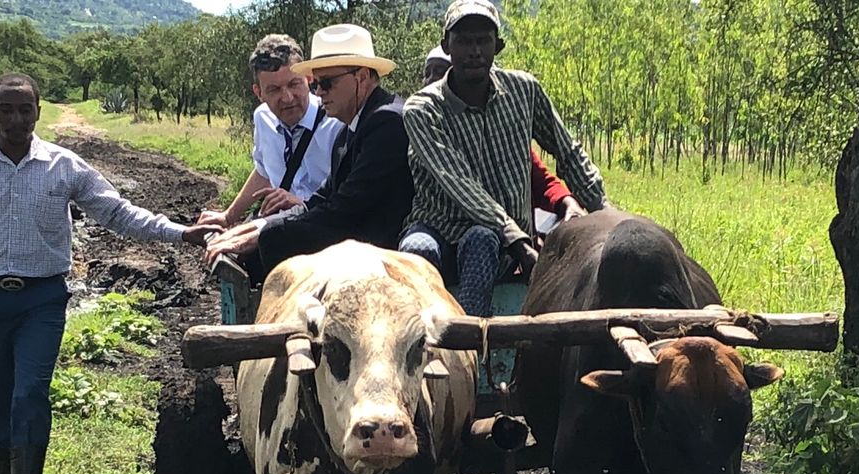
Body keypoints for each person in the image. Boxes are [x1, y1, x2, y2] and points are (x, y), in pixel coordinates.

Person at [0, 72, 213, 474]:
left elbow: (118, 212)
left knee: (29, 395)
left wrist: (181, 231)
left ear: (39, 113)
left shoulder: (64, 166)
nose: (16, 119)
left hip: (42, 299)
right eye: (7, 109)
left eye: (25, 110)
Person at [400, 0, 604, 316]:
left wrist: (600, 206)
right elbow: (459, 184)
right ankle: (424, 346)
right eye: (464, 41)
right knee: (417, 251)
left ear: (498, 46)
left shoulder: (524, 91)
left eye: (483, 40)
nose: (474, 50)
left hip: (500, 242)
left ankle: (469, 348)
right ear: (446, 46)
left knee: (482, 239)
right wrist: (518, 241)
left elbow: (566, 150)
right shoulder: (423, 110)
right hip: (440, 227)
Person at [205, 24, 413, 277]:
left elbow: (345, 211)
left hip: (383, 260)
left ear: (361, 77)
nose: (319, 92)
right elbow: (321, 200)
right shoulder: (352, 126)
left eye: (327, 83)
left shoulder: (386, 122)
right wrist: (256, 226)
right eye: (316, 84)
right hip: (356, 248)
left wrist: (264, 235)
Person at [420, 45, 586, 237]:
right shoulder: (423, 124)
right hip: (453, 231)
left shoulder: (503, 132)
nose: (431, 78)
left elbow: (540, 180)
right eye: (428, 72)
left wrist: (566, 201)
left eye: (440, 71)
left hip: (505, 235)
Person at [197, 34, 345, 238]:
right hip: (277, 226)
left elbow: (347, 203)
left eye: (294, 84)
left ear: (309, 79)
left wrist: (301, 205)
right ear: (258, 93)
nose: (287, 97)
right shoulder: (262, 118)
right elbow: (263, 172)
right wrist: (228, 217)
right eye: (274, 89)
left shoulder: (336, 122)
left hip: (321, 228)